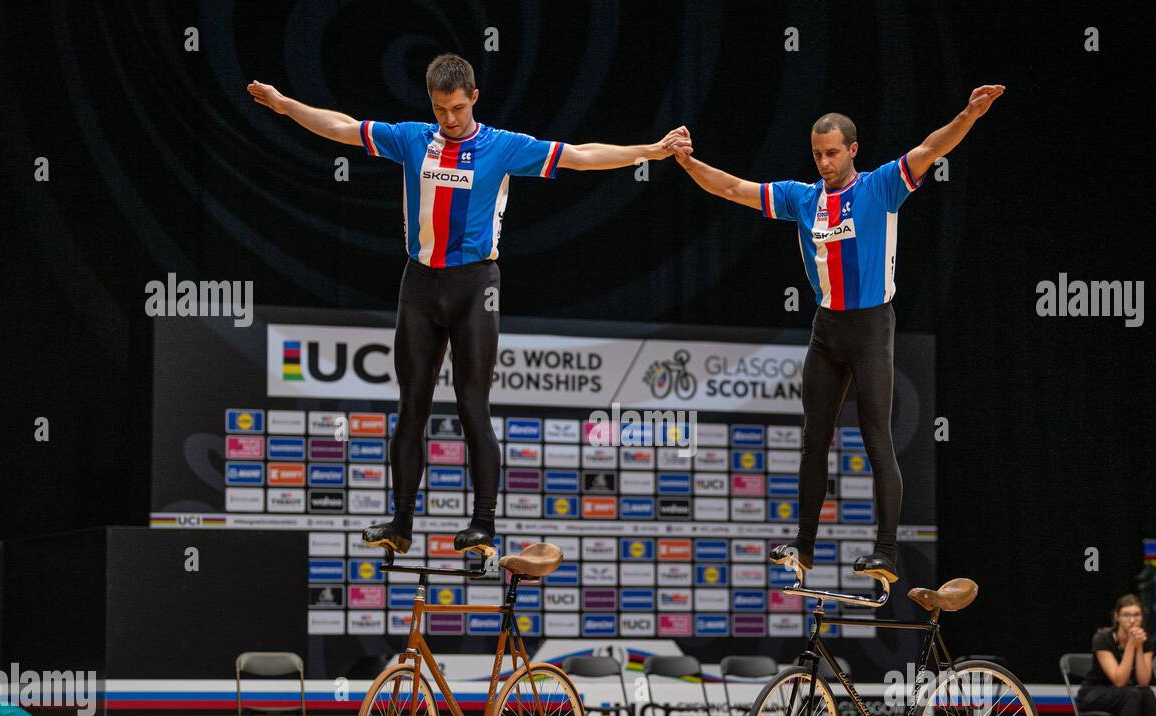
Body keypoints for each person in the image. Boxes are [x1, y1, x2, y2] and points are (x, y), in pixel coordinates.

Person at [249, 54, 689, 555]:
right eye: (440, 109)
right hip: (418, 285)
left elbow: (580, 156)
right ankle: (401, 522)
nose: (450, 119)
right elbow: (344, 128)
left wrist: (650, 151)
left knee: (471, 407)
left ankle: (483, 525)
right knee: (410, 408)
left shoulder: (503, 147)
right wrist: (286, 106)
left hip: (475, 286)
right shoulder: (414, 139)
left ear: (474, 98)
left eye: (457, 108)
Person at [669, 85, 1005, 582]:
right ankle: (804, 548)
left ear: (852, 150)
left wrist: (969, 114)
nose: (824, 163)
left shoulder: (882, 186)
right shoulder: (801, 199)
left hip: (871, 328)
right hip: (826, 330)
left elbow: (933, 147)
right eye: (816, 154)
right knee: (813, 441)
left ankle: (886, 553)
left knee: (877, 441)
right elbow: (734, 189)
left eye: (832, 153)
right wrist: (687, 162)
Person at [1077, 594, 1156, 716]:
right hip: (1095, 693)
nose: (1132, 620)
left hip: (1125, 695)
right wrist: (1131, 645)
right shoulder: (1102, 638)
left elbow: (1144, 681)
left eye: (1137, 615)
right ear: (1117, 617)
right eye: (1126, 615)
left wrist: (1138, 647)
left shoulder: (1145, 640)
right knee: (1131, 694)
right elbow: (1119, 680)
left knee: (1147, 694)